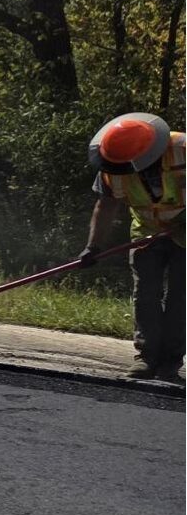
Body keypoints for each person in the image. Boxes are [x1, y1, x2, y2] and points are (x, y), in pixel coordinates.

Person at [79, 111, 185, 380]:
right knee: (145, 294)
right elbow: (106, 205)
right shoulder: (112, 167)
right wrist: (94, 246)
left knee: (180, 297)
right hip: (146, 234)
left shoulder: (182, 149)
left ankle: (171, 360)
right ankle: (147, 357)